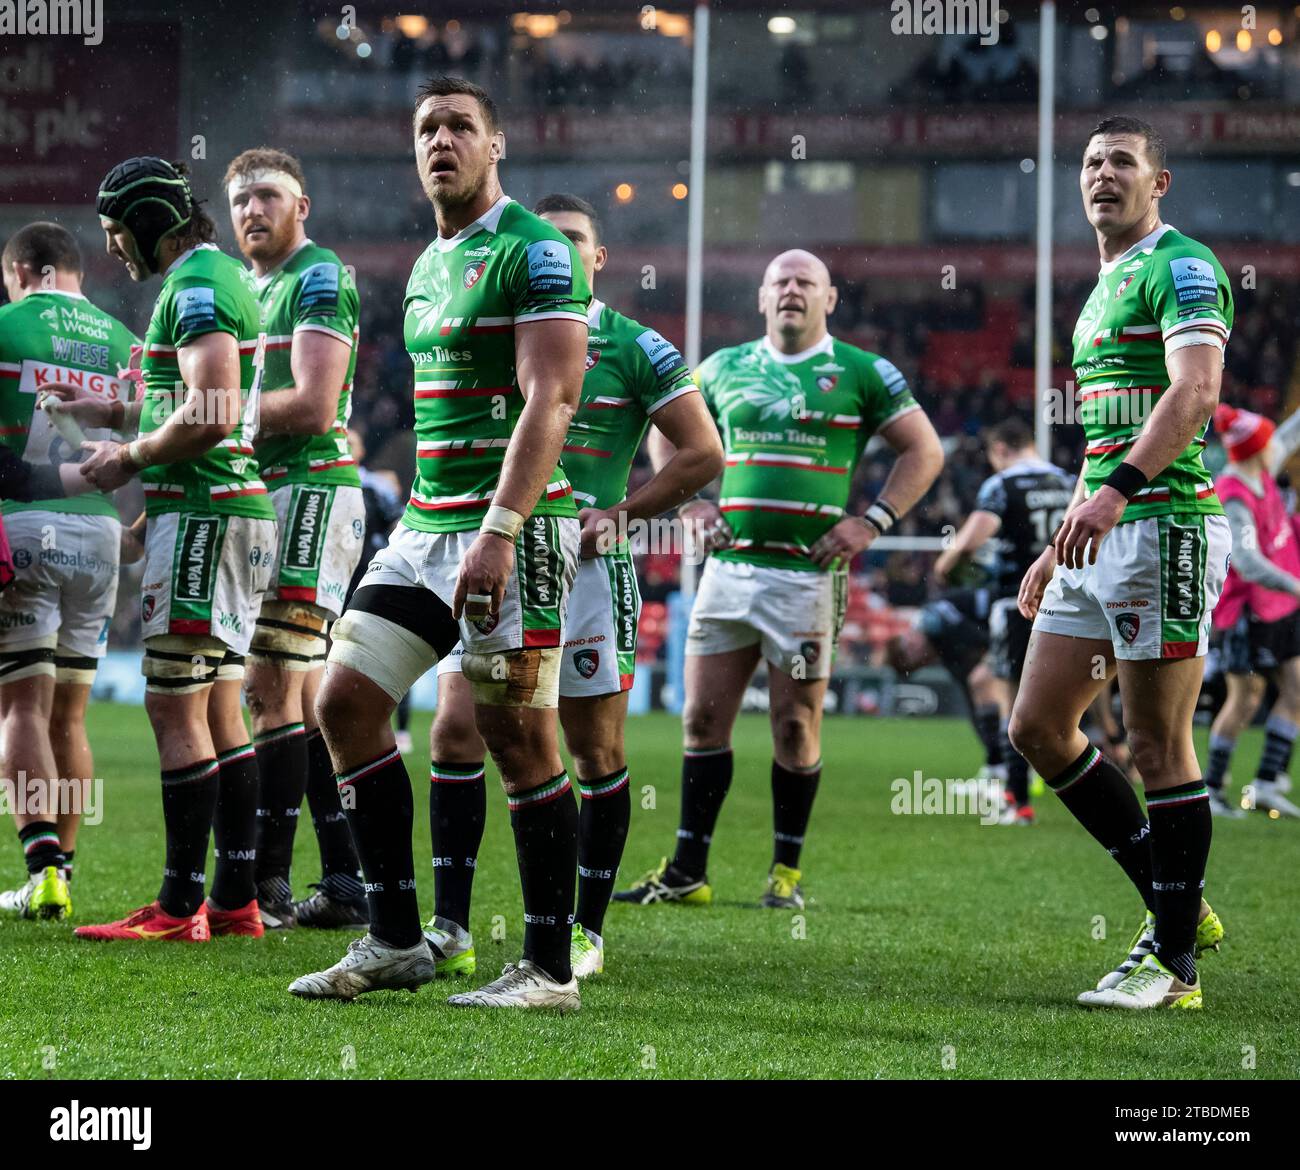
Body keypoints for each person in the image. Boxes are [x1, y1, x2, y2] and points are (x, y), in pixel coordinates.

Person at [289, 77, 592, 1009]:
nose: (442, 141)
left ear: (495, 145)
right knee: (342, 701)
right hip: (423, 526)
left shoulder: (535, 249)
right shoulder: (429, 263)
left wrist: (499, 530)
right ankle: (394, 941)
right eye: (427, 128)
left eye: (462, 126)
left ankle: (547, 970)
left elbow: (553, 396)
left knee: (515, 731)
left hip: (519, 526)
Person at [422, 192, 721, 980]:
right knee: (457, 728)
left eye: (575, 241)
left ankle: (582, 931)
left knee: (593, 751)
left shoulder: (637, 346)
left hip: (586, 574)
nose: (557, 250)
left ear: (599, 257)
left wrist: (624, 513)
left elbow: (702, 454)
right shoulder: (497, 328)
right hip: (503, 558)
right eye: (546, 241)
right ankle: (448, 928)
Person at [615, 248, 943, 909]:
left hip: (805, 578)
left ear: (830, 299)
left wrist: (873, 521)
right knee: (703, 719)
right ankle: (688, 871)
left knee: (795, 727)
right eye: (781, 282)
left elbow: (925, 449)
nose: (792, 290)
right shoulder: (725, 367)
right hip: (729, 572)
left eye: (806, 282)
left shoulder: (861, 371)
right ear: (763, 298)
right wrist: (689, 501)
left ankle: (785, 876)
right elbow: (668, 430)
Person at [1011, 116, 1230, 1009]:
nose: (1104, 174)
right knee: (1037, 726)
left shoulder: (1181, 265)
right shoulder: (1102, 287)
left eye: (1123, 162)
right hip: (1099, 531)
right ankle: (1176, 906)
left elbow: (1196, 391)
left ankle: (1174, 964)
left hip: (1164, 522)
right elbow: (1104, 438)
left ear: (1158, 181)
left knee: (1155, 744)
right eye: (1093, 162)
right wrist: (1060, 533)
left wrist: (1115, 497)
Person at [64, 157, 278, 942]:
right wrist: (113, 416)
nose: (116, 249)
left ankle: (179, 906)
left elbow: (213, 408)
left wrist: (130, 460)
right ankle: (234, 900)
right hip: (220, 510)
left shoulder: (193, 288)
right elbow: (186, 407)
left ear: (150, 222)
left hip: (205, 516)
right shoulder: (220, 279)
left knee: (172, 702)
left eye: (119, 232)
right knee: (222, 707)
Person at [222, 147, 368, 929]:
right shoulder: (248, 287)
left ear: (300, 205)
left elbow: (314, 405)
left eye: (268, 195)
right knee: (298, 698)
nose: (253, 210)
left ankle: (265, 887)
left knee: (272, 685)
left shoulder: (319, 276)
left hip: (310, 488)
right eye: (241, 198)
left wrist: (213, 413)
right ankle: (345, 881)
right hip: (265, 494)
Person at [0, 222, 136, 920]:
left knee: (22, 702)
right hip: (102, 531)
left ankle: (42, 864)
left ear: (23, 269)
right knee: (72, 714)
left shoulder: (7, 325)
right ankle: (63, 873)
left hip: (25, 519)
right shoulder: (122, 340)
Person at [933, 418, 1073, 824]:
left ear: (1000, 450)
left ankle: (1016, 800)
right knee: (1071, 701)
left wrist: (947, 567)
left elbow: (971, 541)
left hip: (1019, 601)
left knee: (1013, 699)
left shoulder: (1003, 485)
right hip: (1070, 600)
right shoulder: (1067, 481)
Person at [292, 426, 403, 928]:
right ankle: (350, 885)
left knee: (299, 689)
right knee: (336, 692)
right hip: (362, 571)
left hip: (360, 572)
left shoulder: (359, 483)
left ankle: (264, 890)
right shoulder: (374, 486)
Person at [1204, 404, 1300, 819]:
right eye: (1267, 441)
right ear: (1254, 450)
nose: (1275, 447)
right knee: (1245, 699)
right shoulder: (1234, 493)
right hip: (1245, 611)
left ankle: (1265, 783)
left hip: (1280, 606)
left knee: (1296, 688)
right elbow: (1245, 559)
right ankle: (1211, 788)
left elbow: (1290, 435)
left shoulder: (1258, 466)